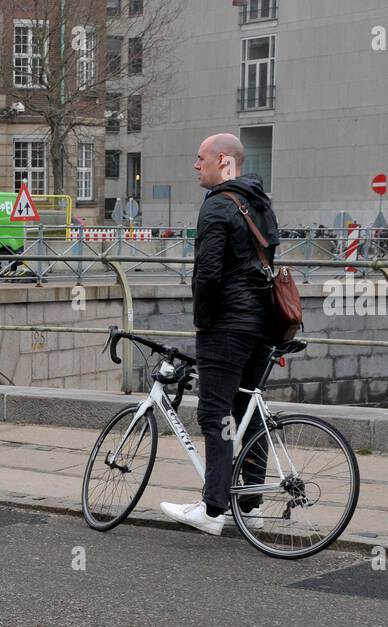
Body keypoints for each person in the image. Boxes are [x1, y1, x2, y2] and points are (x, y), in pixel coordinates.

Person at [161, 133, 279, 536]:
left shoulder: (216, 206)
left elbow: (208, 273)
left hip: (227, 326)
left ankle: (212, 511)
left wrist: (202, 320)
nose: (196, 165)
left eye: (201, 158)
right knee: (248, 415)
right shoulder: (259, 201)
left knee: (215, 414)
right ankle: (251, 506)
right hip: (262, 325)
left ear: (223, 161)